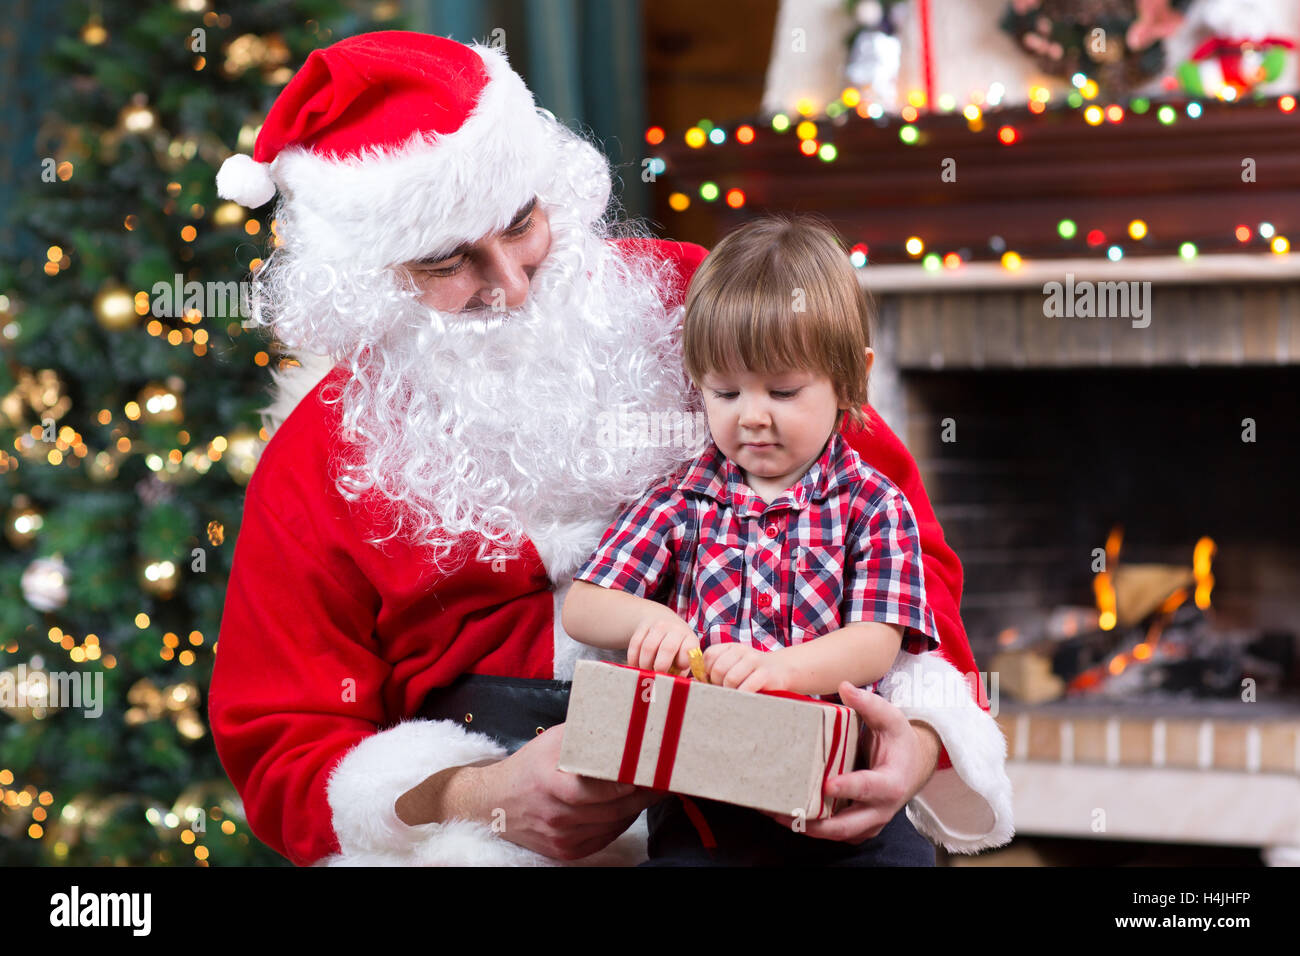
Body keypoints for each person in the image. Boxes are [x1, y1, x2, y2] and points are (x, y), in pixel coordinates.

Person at [207, 30, 1014, 867]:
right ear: (371, 278)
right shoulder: (321, 454)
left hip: (761, 765)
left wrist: (918, 739)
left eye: (521, 222)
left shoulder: (700, 304)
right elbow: (284, 746)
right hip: (487, 806)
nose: (513, 284)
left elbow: (902, 551)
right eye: (448, 261)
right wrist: (480, 800)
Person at [563, 216, 945, 864]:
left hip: (834, 784)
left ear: (852, 379)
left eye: (784, 389)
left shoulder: (873, 505)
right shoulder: (682, 499)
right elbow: (582, 606)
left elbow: (878, 641)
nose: (753, 415)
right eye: (727, 390)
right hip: (704, 791)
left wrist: (781, 669)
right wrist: (652, 620)